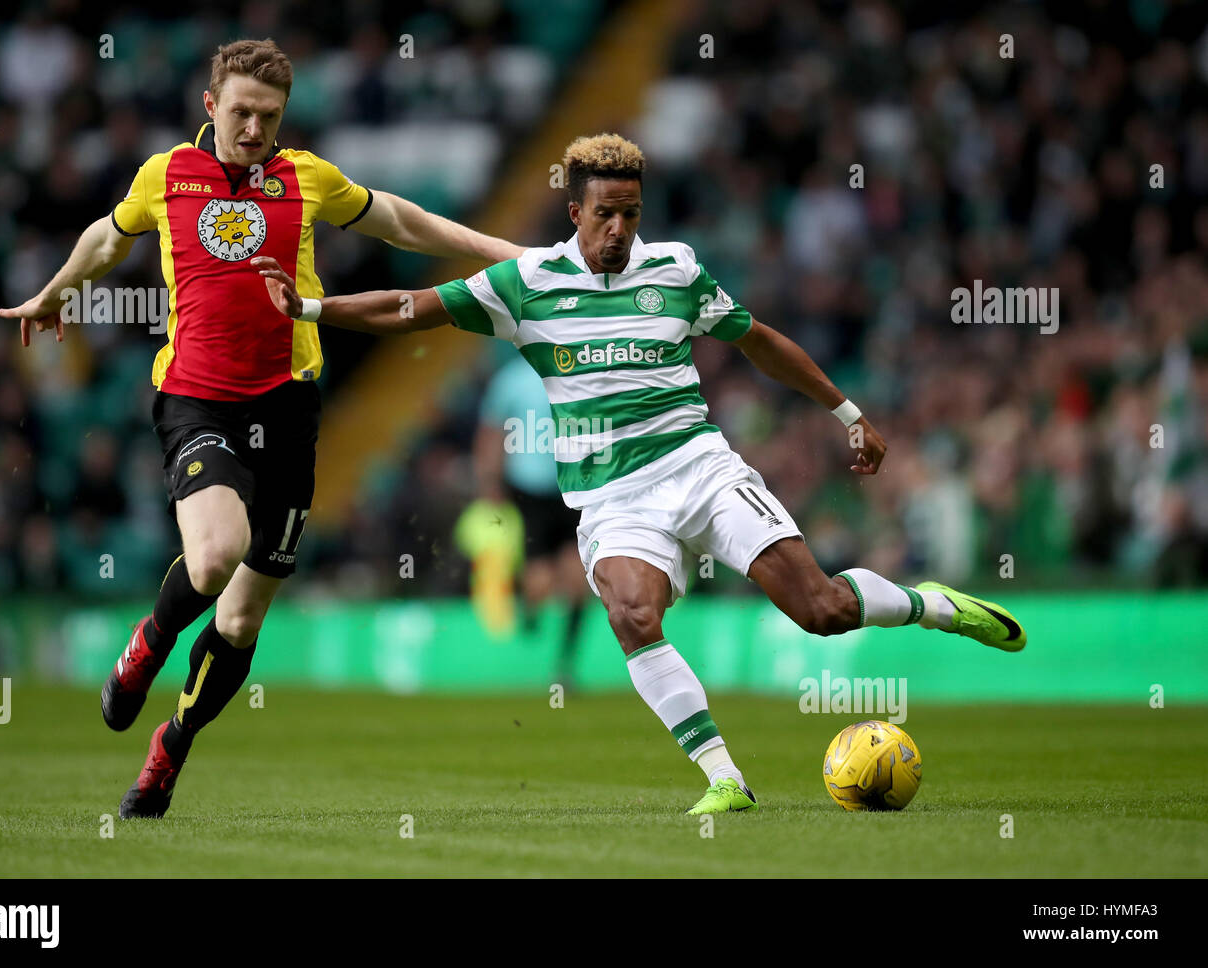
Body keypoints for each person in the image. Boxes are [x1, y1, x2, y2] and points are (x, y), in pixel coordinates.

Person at [251, 132, 1026, 815]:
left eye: (631, 213)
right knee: (631, 614)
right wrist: (312, 311)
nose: (619, 229)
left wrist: (847, 411)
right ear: (574, 213)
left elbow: (757, 339)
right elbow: (407, 307)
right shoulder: (526, 285)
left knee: (819, 610)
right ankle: (725, 778)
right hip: (614, 498)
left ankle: (933, 606)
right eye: (604, 214)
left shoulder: (678, 272)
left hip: (699, 468)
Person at [0, 39, 522, 819]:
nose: (253, 128)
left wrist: (508, 254)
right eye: (240, 112)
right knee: (213, 559)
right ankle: (149, 643)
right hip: (198, 401)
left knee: (242, 618)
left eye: (268, 116)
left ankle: (171, 746)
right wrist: (55, 292)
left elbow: (400, 223)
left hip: (287, 408)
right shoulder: (167, 174)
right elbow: (109, 238)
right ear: (211, 106)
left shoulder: (304, 177)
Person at [472, 356, 587, 683]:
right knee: (544, 579)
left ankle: (564, 662)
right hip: (534, 489)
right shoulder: (516, 378)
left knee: (577, 580)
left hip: (572, 489)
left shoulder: (574, 373)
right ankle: (534, 610)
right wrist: (490, 479)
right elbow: (492, 431)